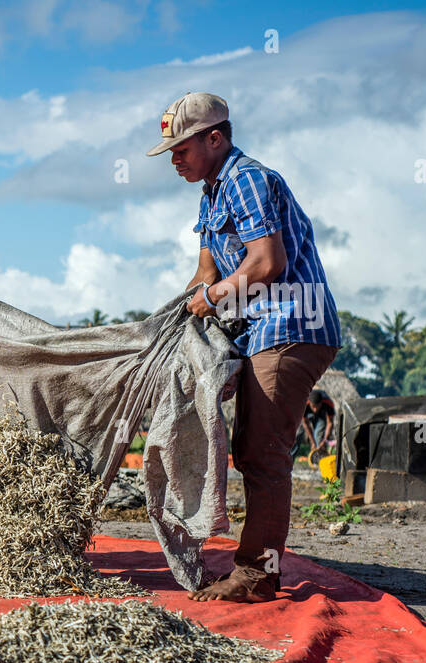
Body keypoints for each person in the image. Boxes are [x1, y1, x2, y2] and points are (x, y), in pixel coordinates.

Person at [146, 93, 340, 603]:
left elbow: (266, 263)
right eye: (170, 151)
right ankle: (255, 568)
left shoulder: (248, 179)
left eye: (181, 148)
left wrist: (209, 299)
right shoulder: (212, 193)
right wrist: (162, 321)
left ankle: (256, 576)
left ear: (215, 138)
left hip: (292, 326)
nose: (174, 159)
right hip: (260, 330)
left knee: (262, 454)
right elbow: (205, 275)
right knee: (254, 451)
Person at [299, 389, 336, 458]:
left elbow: (330, 423)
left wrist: (325, 440)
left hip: (321, 415)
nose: (315, 409)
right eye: (313, 406)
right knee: (298, 433)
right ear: (309, 403)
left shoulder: (328, 403)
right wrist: (312, 442)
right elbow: (305, 424)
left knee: (318, 437)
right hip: (308, 415)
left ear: (321, 403)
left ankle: (321, 459)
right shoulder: (304, 405)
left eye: (317, 406)